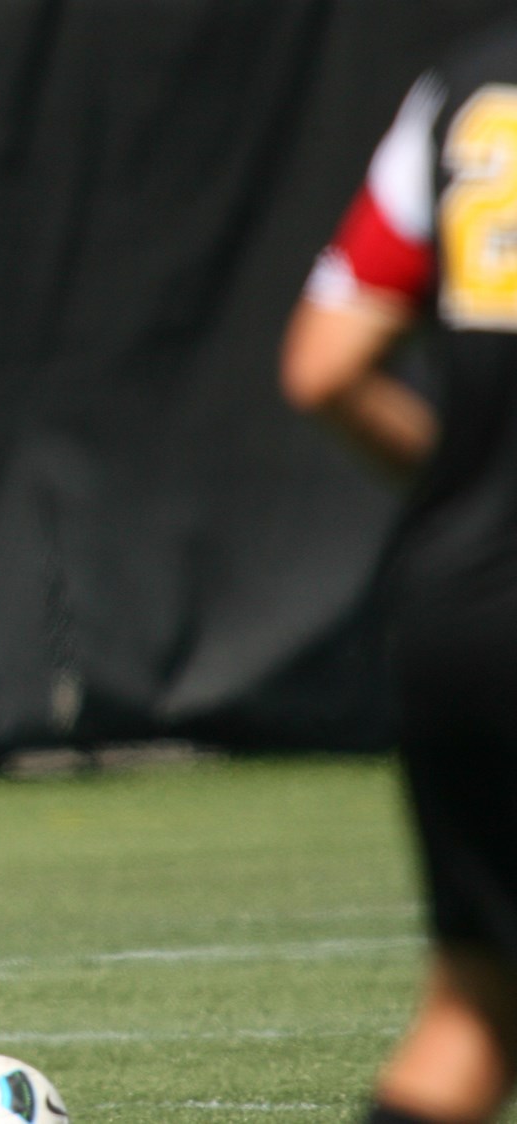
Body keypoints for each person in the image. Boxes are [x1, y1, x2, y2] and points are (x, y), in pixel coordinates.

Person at [283, 18, 517, 1123]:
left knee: (470, 1020)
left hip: (464, 606)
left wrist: (471, 495)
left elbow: (322, 364)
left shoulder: (466, 90)